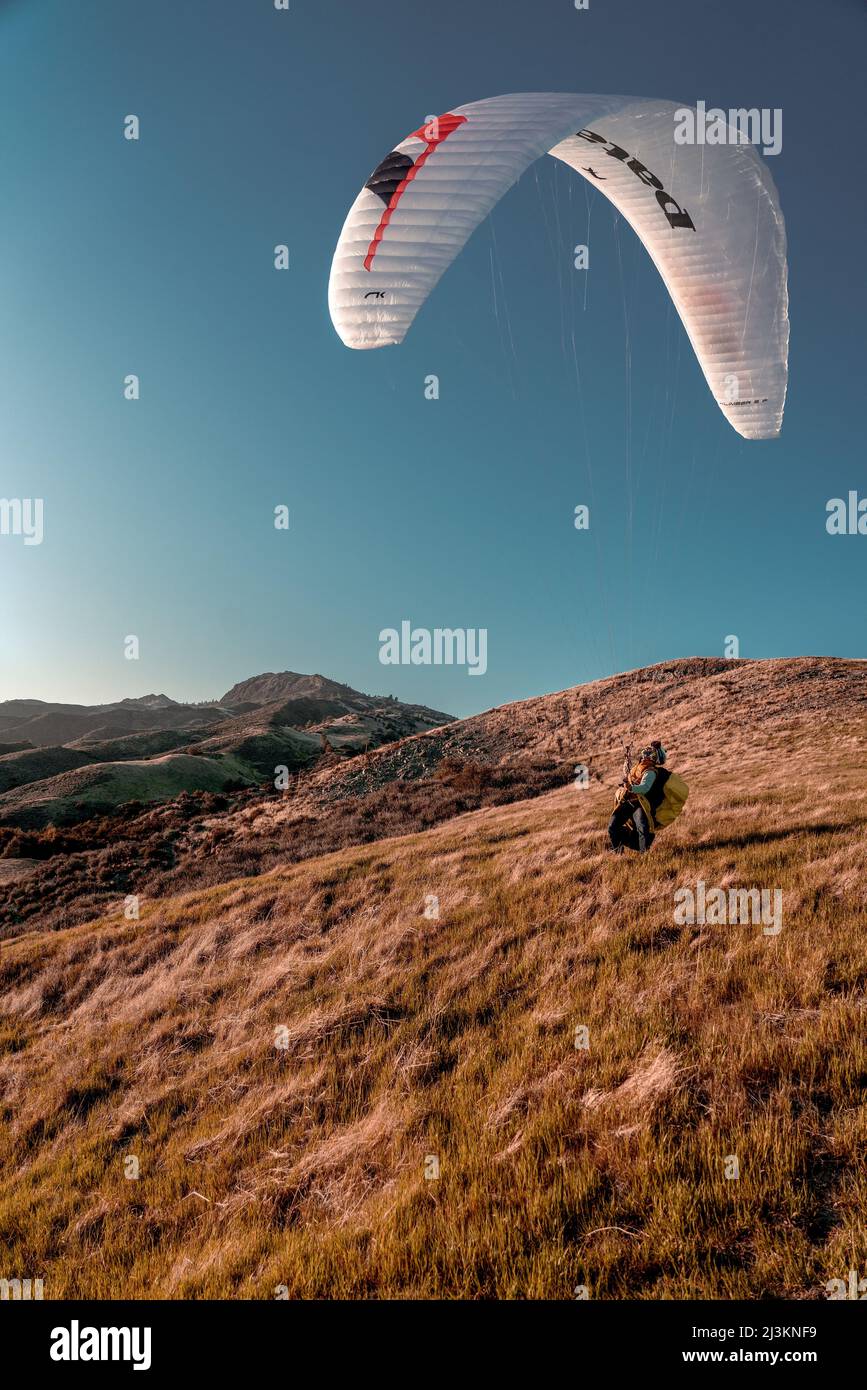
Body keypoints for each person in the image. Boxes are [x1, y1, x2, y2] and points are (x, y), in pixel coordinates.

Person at [608, 740, 667, 853]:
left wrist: (631, 788)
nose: (645, 755)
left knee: (642, 828)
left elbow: (645, 788)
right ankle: (617, 852)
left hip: (639, 804)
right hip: (627, 802)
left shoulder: (650, 771)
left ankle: (644, 855)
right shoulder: (638, 767)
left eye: (648, 754)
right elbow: (627, 773)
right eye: (645, 753)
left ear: (653, 758)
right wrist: (627, 759)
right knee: (613, 826)